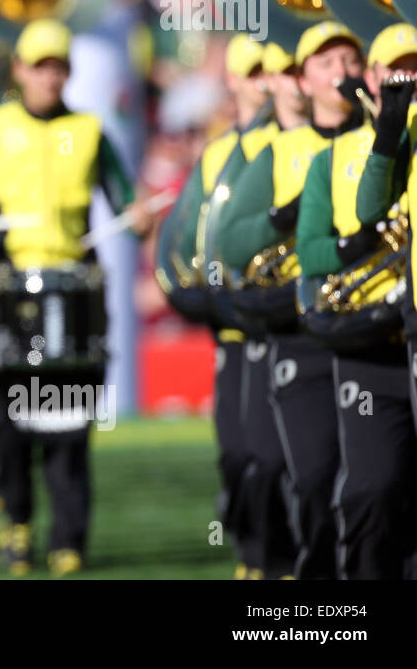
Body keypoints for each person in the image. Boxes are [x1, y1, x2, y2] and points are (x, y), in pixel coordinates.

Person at [0, 17, 145, 577]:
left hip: (74, 287)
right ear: (19, 70)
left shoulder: (89, 131)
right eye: (39, 66)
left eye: (58, 66)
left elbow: (126, 205)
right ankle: (17, 521)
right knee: (10, 422)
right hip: (9, 292)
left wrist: (137, 217)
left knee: (69, 422)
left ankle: (69, 538)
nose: (49, 77)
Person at [216, 22, 366, 579]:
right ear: (303, 80)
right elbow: (230, 241)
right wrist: (285, 215)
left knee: (374, 485)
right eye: (325, 64)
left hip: (370, 333)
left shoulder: (380, 139)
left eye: (350, 60)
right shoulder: (281, 153)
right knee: (314, 477)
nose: (341, 73)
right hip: (301, 337)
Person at [153, 34, 279, 578]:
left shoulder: (295, 144)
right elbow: (190, 241)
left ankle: (277, 559)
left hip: (285, 325)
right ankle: (252, 550)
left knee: (283, 458)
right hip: (233, 329)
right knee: (239, 454)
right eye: (252, 74)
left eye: (269, 73)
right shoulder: (220, 155)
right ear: (232, 82)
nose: (263, 84)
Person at [297, 22, 417, 580]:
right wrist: (388, 136)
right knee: (371, 489)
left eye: (415, 68)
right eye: (395, 71)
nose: (406, 79)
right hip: (368, 347)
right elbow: (368, 208)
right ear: (372, 79)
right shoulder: (335, 156)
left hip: (409, 329)